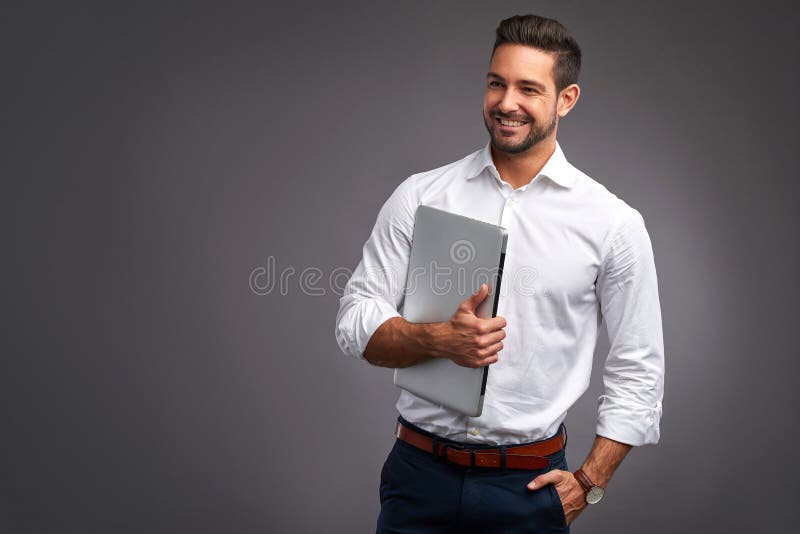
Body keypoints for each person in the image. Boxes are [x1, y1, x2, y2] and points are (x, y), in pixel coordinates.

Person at [334, 14, 664, 533]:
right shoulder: (421, 196)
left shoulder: (613, 225)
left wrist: (589, 483)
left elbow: (638, 370)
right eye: (496, 83)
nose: (506, 102)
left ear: (566, 100)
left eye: (528, 89)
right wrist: (437, 339)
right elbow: (354, 321)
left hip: (530, 491)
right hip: (417, 477)